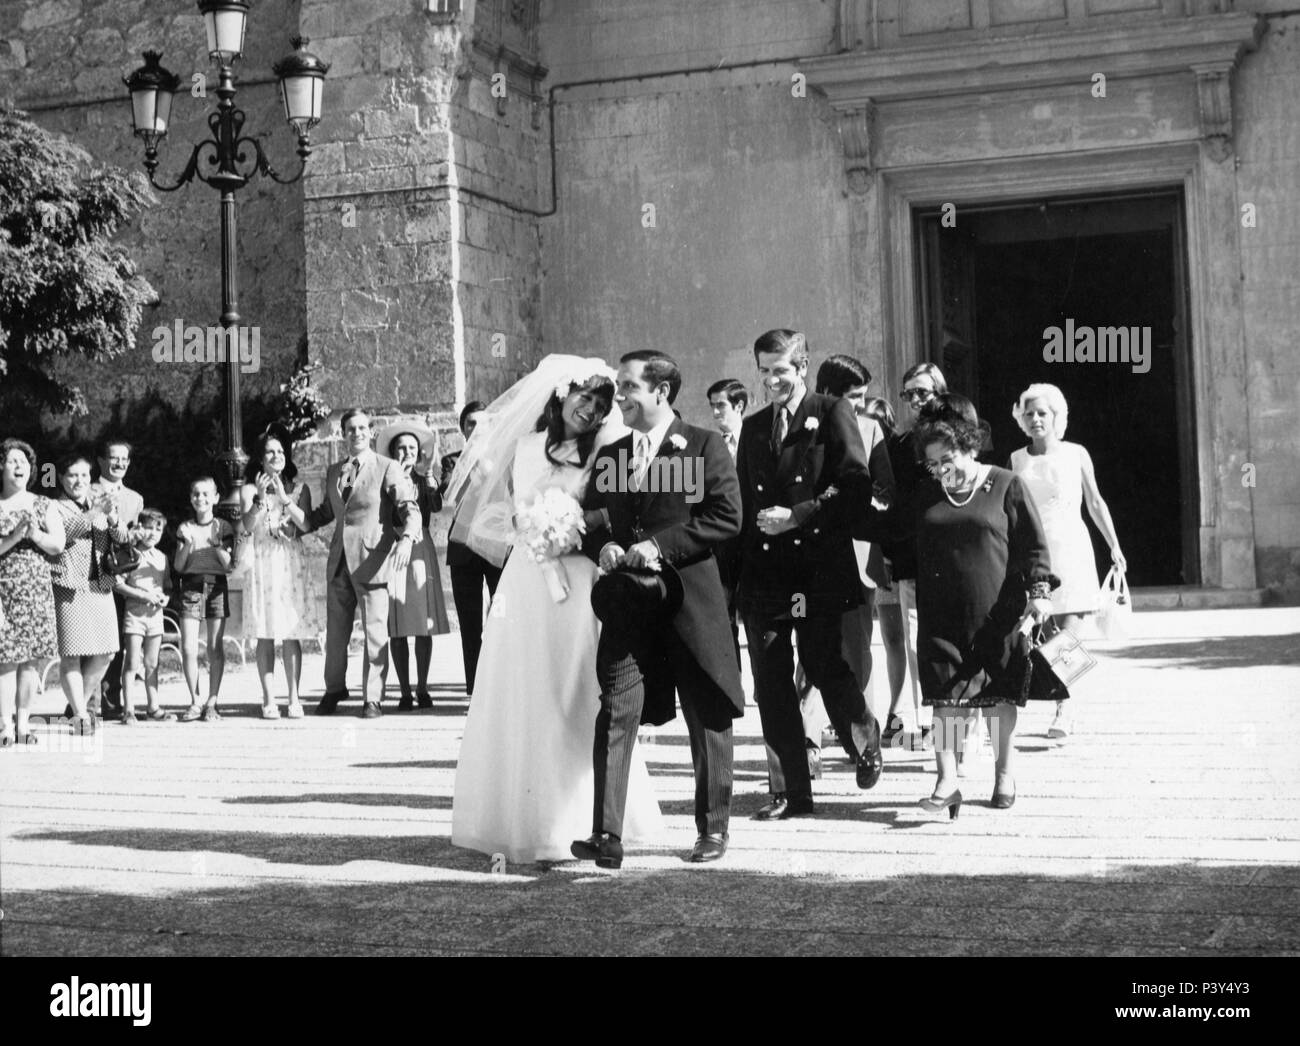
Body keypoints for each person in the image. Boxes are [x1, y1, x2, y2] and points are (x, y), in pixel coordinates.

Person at [450, 356, 663, 863]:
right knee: (527, 691)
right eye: (583, 397)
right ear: (561, 397)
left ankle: (593, 817)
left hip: (581, 582)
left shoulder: (606, 451)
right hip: (528, 583)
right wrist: (531, 526)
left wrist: (572, 524)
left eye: (602, 402)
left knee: (579, 692)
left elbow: (615, 512)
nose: (591, 409)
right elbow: (499, 512)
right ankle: (527, 821)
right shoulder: (523, 448)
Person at [571, 350, 742, 867]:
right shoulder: (612, 457)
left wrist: (662, 547)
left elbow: (726, 517)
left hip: (689, 602)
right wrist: (599, 546)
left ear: (661, 392)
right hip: (628, 603)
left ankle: (712, 830)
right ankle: (607, 835)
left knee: (705, 710)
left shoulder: (705, 447)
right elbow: (593, 520)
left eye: (627, 388)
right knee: (617, 709)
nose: (617, 398)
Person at [737, 330, 884, 823]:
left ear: (802, 367)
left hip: (813, 573)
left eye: (781, 369)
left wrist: (799, 515)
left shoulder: (833, 411)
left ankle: (863, 736)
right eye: (764, 370)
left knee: (822, 664)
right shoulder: (755, 427)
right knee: (771, 682)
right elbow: (742, 507)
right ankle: (790, 793)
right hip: (766, 577)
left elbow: (855, 486)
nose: (772, 380)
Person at [911, 405, 1057, 818]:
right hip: (941, 611)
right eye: (933, 463)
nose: (941, 470)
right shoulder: (927, 494)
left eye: (948, 459)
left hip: (997, 609)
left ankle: (1004, 772)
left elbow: (1032, 544)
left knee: (997, 694)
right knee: (945, 696)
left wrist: (1040, 591)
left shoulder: (1005, 484)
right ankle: (947, 780)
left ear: (969, 448)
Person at [1010, 382, 1126, 741]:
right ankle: (1064, 700)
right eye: (1029, 413)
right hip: (1035, 554)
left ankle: (1065, 707)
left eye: (1042, 412)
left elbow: (1095, 502)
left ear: (1056, 416)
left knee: (1069, 634)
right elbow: (1011, 510)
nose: (1035, 419)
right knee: (1047, 632)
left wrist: (1114, 545)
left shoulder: (1076, 453)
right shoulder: (1017, 459)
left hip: (1072, 548)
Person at [302, 408, 422, 718]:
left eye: (361, 428)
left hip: (372, 560)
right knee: (336, 632)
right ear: (343, 434)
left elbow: (409, 508)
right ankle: (334, 689)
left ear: (370, 431)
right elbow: (326, 513)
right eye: (350, 429)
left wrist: (408, 538)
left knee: (374, 631)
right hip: (340, 560)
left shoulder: (387, 467)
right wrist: (293, 521)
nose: (356, 433)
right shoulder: (335, 471)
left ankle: (372, 698)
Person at [881, 361, 949, 748]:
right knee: (916, 643)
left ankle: (964, 735)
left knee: (954, 644)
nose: (916, 400)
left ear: (940, 391)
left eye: (924, 392)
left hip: (954, 557)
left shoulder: (958, 437)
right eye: (909, 394)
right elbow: (895, 504)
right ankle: (930, 731)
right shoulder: (901, 445)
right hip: (912, 558)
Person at [239, 429, 321, 720]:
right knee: (264, 631)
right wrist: (261, 499)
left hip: (290, 564)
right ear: (261, 459)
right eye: (271, 452)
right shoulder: (249, 490)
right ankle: (268, 698)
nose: (276, 457)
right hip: (262, 563)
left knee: (290, 632)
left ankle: (294, 697)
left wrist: (285, 498)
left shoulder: (298, 489)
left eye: (281, 452)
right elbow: (247, 527)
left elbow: (306, 525)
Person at [0, 439, 66, 747]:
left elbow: (58, 544)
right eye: (12, 461)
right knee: (5, 661)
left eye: (24, 463)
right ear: (1, 466)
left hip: (35, 591)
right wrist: (15, 536)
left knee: (29, 662)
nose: (18, 467)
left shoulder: (44, 504)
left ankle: (23, 725)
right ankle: (4, 727)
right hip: (3, 592)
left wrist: (35, 533)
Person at [52, 453, 120, 733]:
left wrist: (114, 519)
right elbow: (64, 534)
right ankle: (80, 715)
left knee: (107, 651)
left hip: (100, 584)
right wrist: (95, 513)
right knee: (71, 654)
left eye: (84, 475)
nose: (79, 481)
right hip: (69, 585)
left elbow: (120, 538)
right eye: (72, 475)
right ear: (61, 479)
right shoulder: (54, 507)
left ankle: (74, 705)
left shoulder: (100, 504)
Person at [386, 423, 451, 711]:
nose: (407, 453)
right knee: (397, 625)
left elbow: (435, 507)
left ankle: (422, 687)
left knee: (423, 623)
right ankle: (403, 691)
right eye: (401, 448)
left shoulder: (424, 478)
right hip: (395, 545)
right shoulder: (386, 478)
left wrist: (431, 482)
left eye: (412, 448)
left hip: (420, 546)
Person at [441, 401, 503, 697]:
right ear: (463, 430)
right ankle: (475, 688)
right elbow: (447, 497)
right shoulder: (452, 460)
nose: (477, 429)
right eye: (470, 424)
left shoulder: (504, 456)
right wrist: (471, 466)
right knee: (469, 620)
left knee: (502, 616)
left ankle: (500, 684)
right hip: (464, 547)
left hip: (496, 543)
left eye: (482, 423)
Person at [862, 397, 912, 748]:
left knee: (914, 643)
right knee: (889, 640)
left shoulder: (900, 459)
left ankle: (908, 717)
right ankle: (892, 716)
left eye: (879, 420)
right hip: (876, 561)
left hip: (904, 562)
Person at [175, 476, 236, 722]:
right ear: (191, 498)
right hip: (190, 586)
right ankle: (195, 700)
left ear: (215, 498)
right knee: (189, 646)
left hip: (216, 586)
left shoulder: (223, 527)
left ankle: (212, 700)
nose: (201, 498)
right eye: (196, 494)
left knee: (214, 645)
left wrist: (217, 545)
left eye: (206, 494)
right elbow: (179, 566)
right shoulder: (185, 528)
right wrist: (187, 546)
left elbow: (229, 566)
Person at [92, 438, 144, 717]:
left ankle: (111, 702)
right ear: (101, 460)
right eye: (114, 458)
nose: (120, 463)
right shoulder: (88, 490)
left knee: (117, 642)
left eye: (125, 459)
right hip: (90, 575)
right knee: (90, 642)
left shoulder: (135, 499)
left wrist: (138, 539)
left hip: (120, 579)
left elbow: (134, 542)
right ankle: (85, 702)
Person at [113, 509, 175, 723]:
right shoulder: (129, 554)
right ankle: (128, 709)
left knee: (152, 663)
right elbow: (117, 583)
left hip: (155, 617)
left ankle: (153, 706)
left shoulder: (162, 557)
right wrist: (142, 595)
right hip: (134, 616)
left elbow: (167, 586)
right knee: (131, 662)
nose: (153, 533)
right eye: (148, 527)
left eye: (158, 529)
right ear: (139, 528)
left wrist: (165, 598)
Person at [706, 378, 748, 667]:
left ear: (740, 405)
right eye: (712, 407)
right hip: (722, 547)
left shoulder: (757, 440)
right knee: (723, 615)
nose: (715, 413)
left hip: (756, 545)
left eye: (721, 405)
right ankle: (734, 682)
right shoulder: (709, 447)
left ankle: (765, 682)